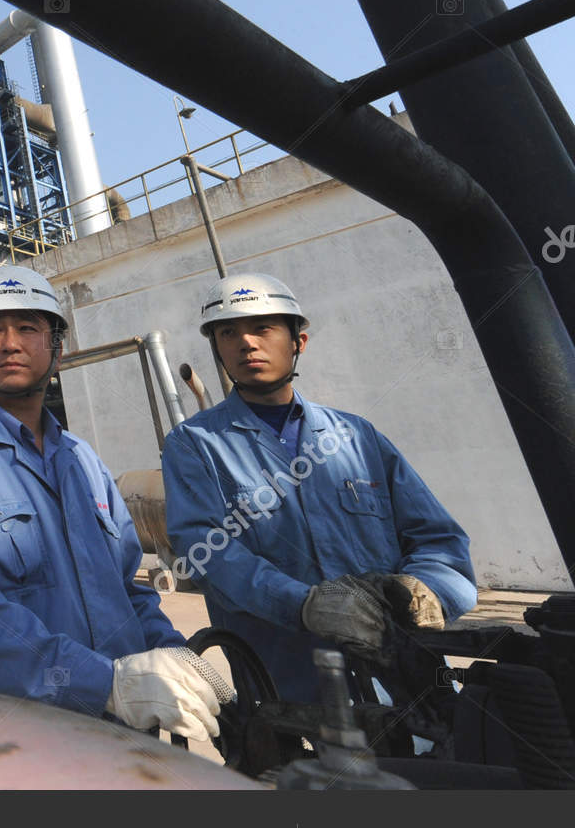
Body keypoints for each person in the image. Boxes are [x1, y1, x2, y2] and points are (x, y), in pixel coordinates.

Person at [0, 265, 233, 741]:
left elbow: (128, 586)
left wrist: (172, 652)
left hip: (123, 728)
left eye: (28, 328)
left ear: (57, 351)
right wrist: (105, 684)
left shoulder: (83, 461)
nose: (10, 343)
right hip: (12, 736)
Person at [162, 273, 476, 703]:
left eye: (263, 328)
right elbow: (206, 549)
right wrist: (303, 605)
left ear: (298, 343)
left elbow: (439, 540)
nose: (246, 343)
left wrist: (429, 591)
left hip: (406, 676)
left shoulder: (356, 436)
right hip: (288, 691)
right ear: (217, 348)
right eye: (228, 332)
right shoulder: (195, 445)